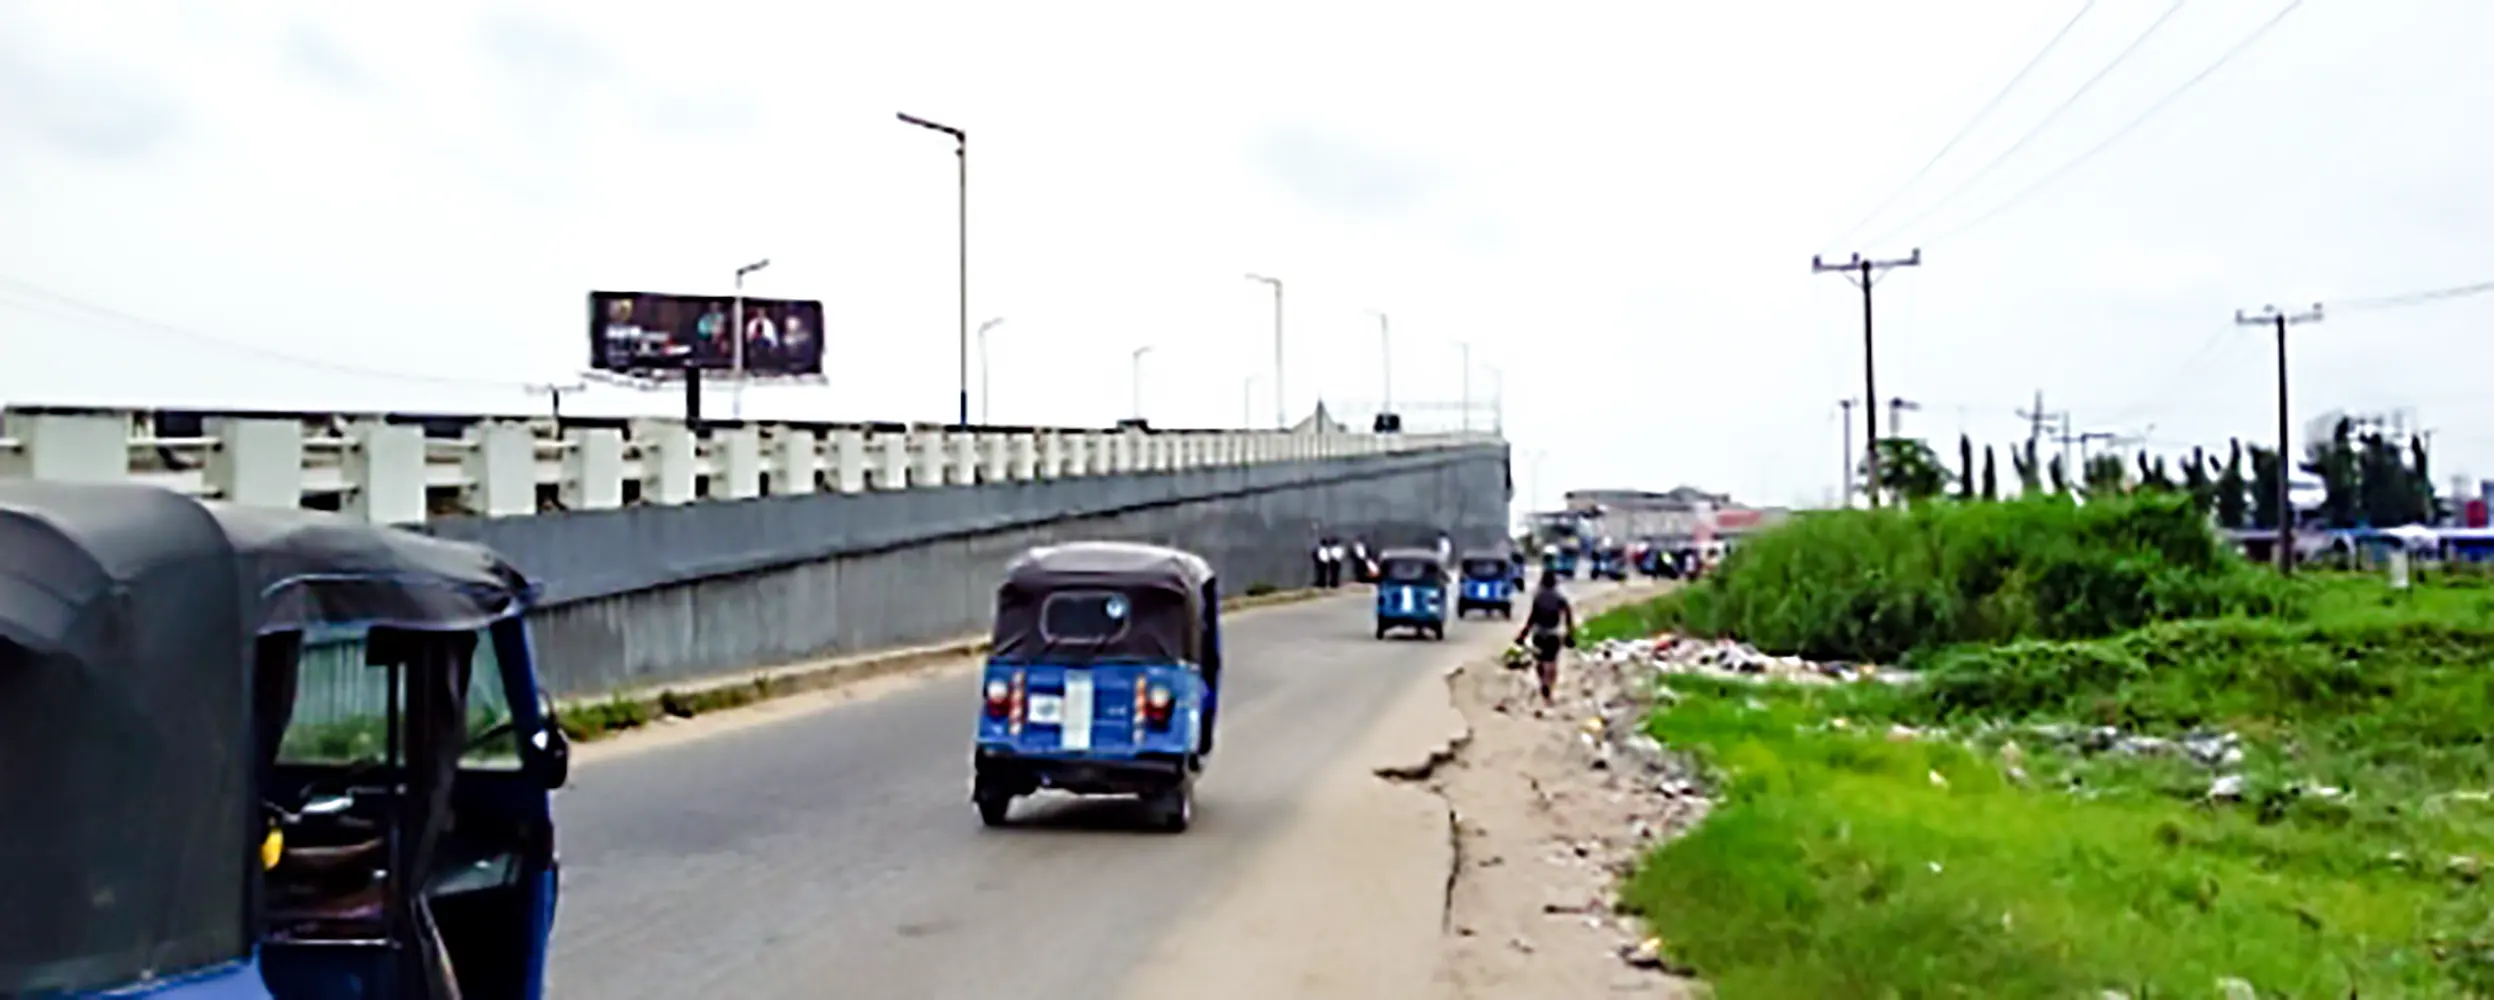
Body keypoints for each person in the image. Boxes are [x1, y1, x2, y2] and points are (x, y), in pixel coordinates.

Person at [1513, 570, 1576, 705]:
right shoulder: (1560, 598)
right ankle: (1549, 690)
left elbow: (1532, 619)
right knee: (1552, 662)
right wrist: (1570, 634)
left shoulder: (1538, 597)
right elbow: (1568, 616)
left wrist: (1522, 635)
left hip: (1539, 634)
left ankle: (1543, 681)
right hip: (1554, 633)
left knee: (1540, 660)